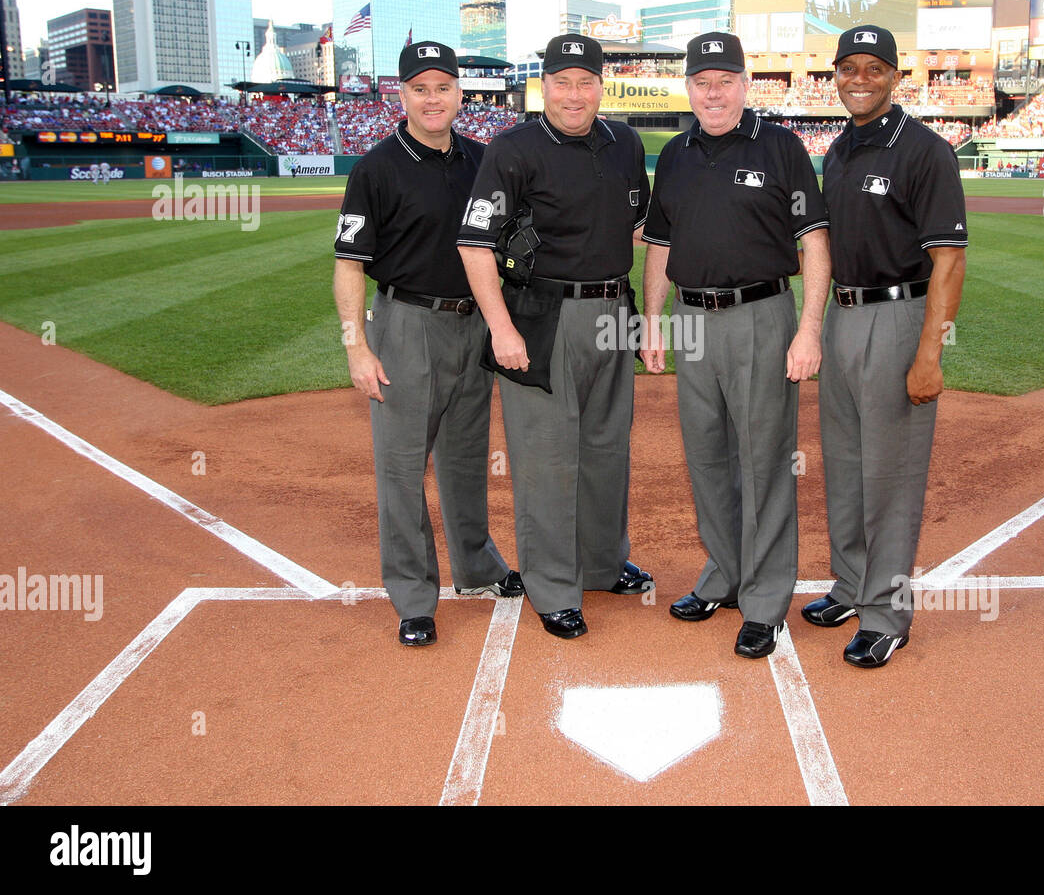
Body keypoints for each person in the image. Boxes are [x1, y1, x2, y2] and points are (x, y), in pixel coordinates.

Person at [457, 34, 653, 640]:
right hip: (543, 317)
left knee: (605, 449)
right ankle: (551, 586)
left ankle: (601, 563)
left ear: (601, 85)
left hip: (614, 309)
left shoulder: (624, 142)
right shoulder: (513, 149)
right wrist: (501, 329)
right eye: (562, 81)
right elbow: (475, 242)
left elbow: (644, 229)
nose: (574, 94)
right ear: (544, 85)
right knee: (545, 458)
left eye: (585, 81)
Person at [642, 32, 831, 659]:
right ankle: (724, 573)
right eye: (702, 81)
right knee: (707, 459)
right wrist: (650, 319)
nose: (713, 91)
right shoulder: (673, 155)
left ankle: (767, 600)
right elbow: (660, 247)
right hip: (692, 320)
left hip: (761, 315)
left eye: (725, 79)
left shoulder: (780, 147)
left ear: (746, 84)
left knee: (765, 461)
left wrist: (808, 329)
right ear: (689, 87)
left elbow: (815, 243)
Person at [332, 39, 522, 648]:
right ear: (402, 94)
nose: (433, 98)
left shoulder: (483, 159)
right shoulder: (377, 167)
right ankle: (414, 596)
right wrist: (356, 346)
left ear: (460, 93)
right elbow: (349, 263)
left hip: (475, 323)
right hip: (407, 324)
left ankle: (476, 565)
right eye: (421, 88)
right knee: (401, 464)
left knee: (466, 454)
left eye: (443, 87)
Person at [802, 24, 967, 668]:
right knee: (845, 463)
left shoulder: (926, 151)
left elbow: (949, 261)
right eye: (849, 68)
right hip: (844, 315)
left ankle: (887, 611)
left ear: (897, 78)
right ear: (835, 76)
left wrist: (930, 354)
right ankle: (850, 585)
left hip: (900, 317)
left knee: (891, 473)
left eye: (874, 69)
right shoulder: (838, 149)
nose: (859, 80)